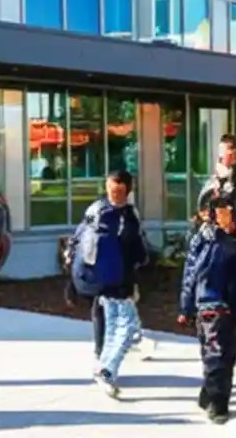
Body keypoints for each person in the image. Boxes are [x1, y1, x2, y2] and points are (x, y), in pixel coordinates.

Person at [67, 169, 149, 396]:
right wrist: (73, 259)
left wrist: (140, 263)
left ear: (127, 191)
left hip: (118, 276)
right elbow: (81, 234)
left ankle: (107, 359)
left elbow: (136, 246)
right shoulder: (98, 211)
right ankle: (103, 360)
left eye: (119, 191)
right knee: (105, 316)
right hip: (99, 276)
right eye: (111, 189)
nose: (114, 194)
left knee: (115, 317)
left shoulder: (129, 216)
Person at [179, 194, 236, 425]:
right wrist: (185, 306)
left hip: (233, 305)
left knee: (227, 355)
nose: (226, 217)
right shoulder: (203, 241)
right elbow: (191, 274)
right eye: (221, 212)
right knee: (214, 354)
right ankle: (216, 400)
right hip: (209, 304)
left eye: (229, 212)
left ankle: (212, 395)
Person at [195, 134, 236, 254]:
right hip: (216, 248)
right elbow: (202, 217)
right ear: (220, 152)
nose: (233, 152)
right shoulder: (211, 186)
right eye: (230, 148)